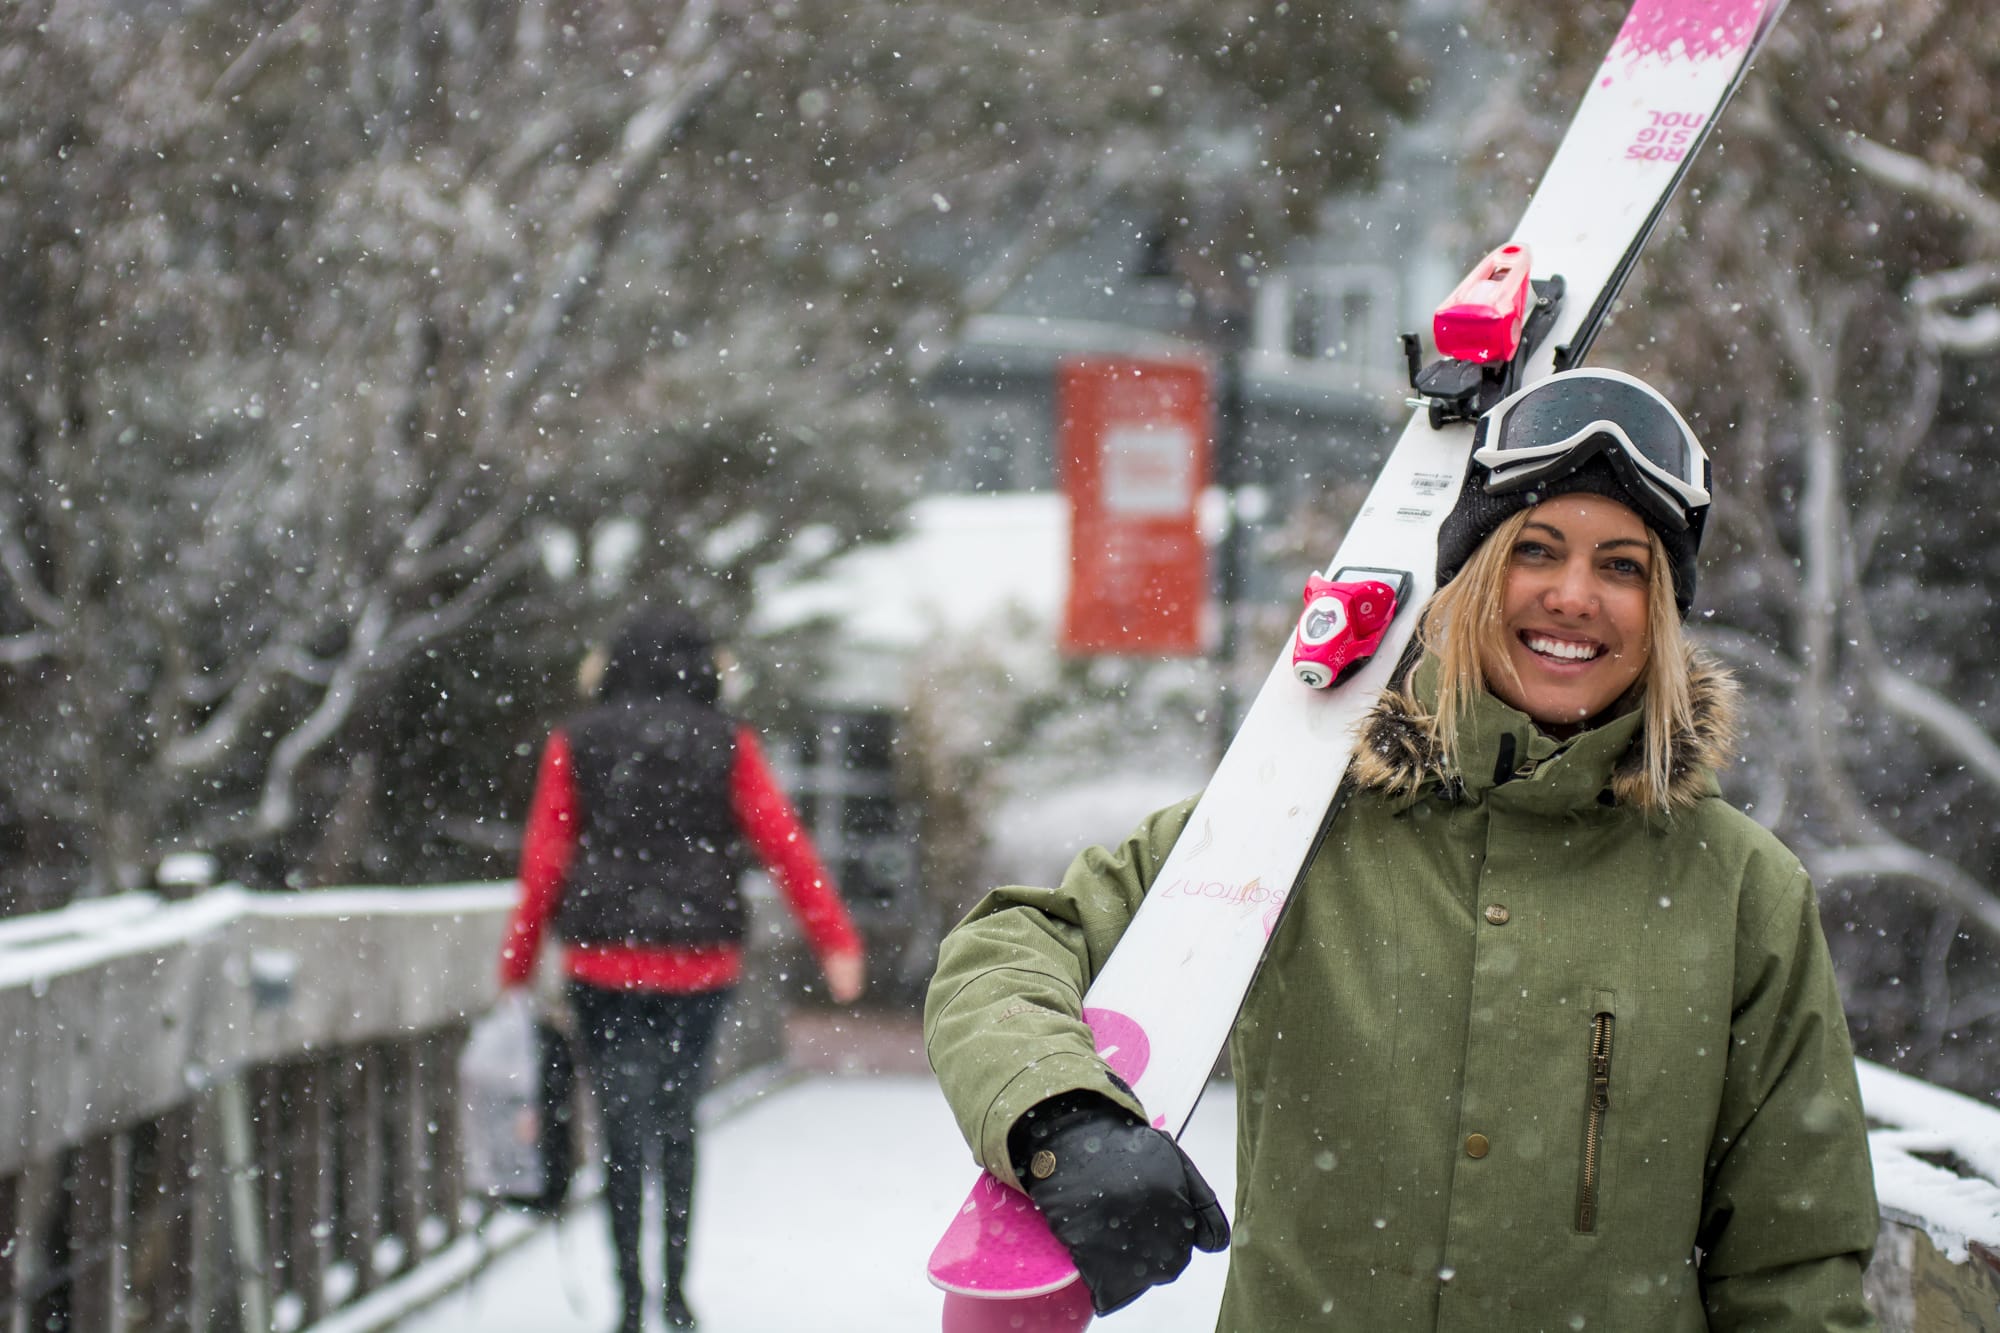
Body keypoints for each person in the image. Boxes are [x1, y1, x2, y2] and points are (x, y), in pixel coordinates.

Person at [925, 368, 1880, 1331]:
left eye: (1623, 566)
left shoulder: (1740, 890)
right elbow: (1006, 949)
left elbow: (1795, 1260)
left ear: (1662, 612)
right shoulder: (1291, 826)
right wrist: (1060, 1118)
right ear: (1470, 578)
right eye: (1535, 549)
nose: (1574, 595)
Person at [499, 605, 866, 1333]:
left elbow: (544, 860)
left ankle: (629, 1300)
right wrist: (835, 938)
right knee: (676, 1120)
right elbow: (783, 842)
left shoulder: (579, 740)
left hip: (603, 963)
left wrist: (517, 965)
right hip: (700, 964)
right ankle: (676, 1293)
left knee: (620, 1128)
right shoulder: (726, 741)